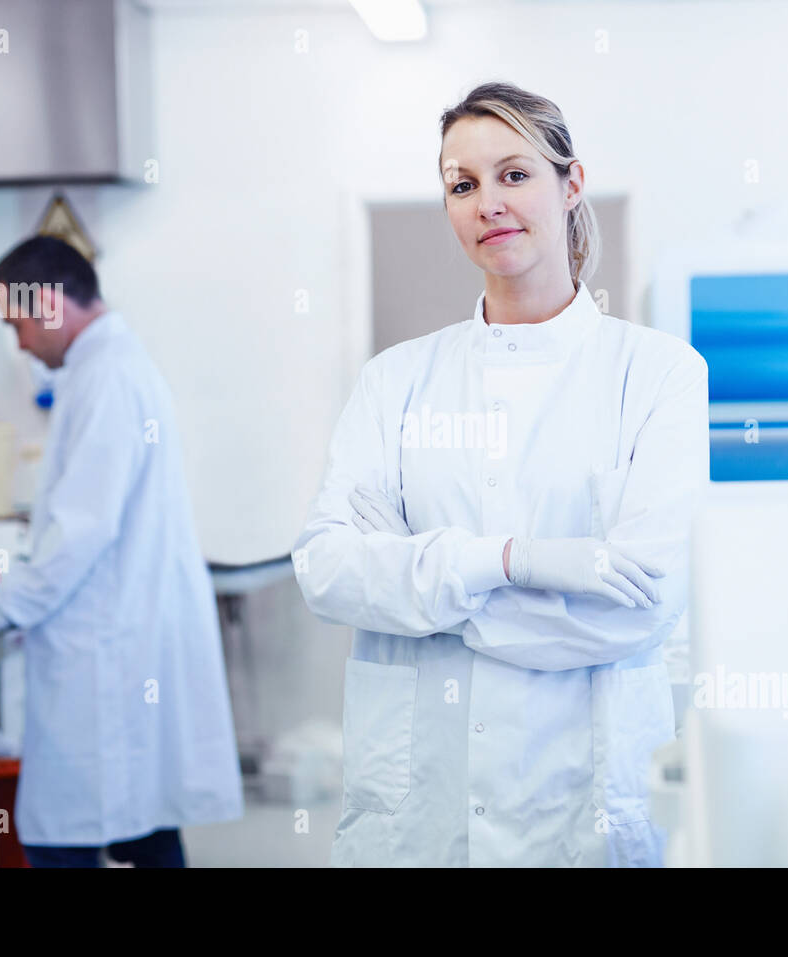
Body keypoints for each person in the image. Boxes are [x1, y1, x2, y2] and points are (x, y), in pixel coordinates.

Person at [293, 82, 709, 867]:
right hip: (425, 808)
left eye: (515, 174)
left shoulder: (657, 374)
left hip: (584, 804)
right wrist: (507, 561)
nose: (489, 202)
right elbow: (327, 567)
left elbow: (644, 604)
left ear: (571, 183)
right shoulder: (396, 380)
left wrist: (433, 596)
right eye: (463, 184)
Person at [0, 236, 242, 867]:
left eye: (16, 322)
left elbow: (80, 529)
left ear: (49, 304)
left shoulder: (106, 376)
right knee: (144, 827)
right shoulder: (104, 369)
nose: (19, 344)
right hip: (118, 634)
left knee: (63, 835)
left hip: (107, 648)